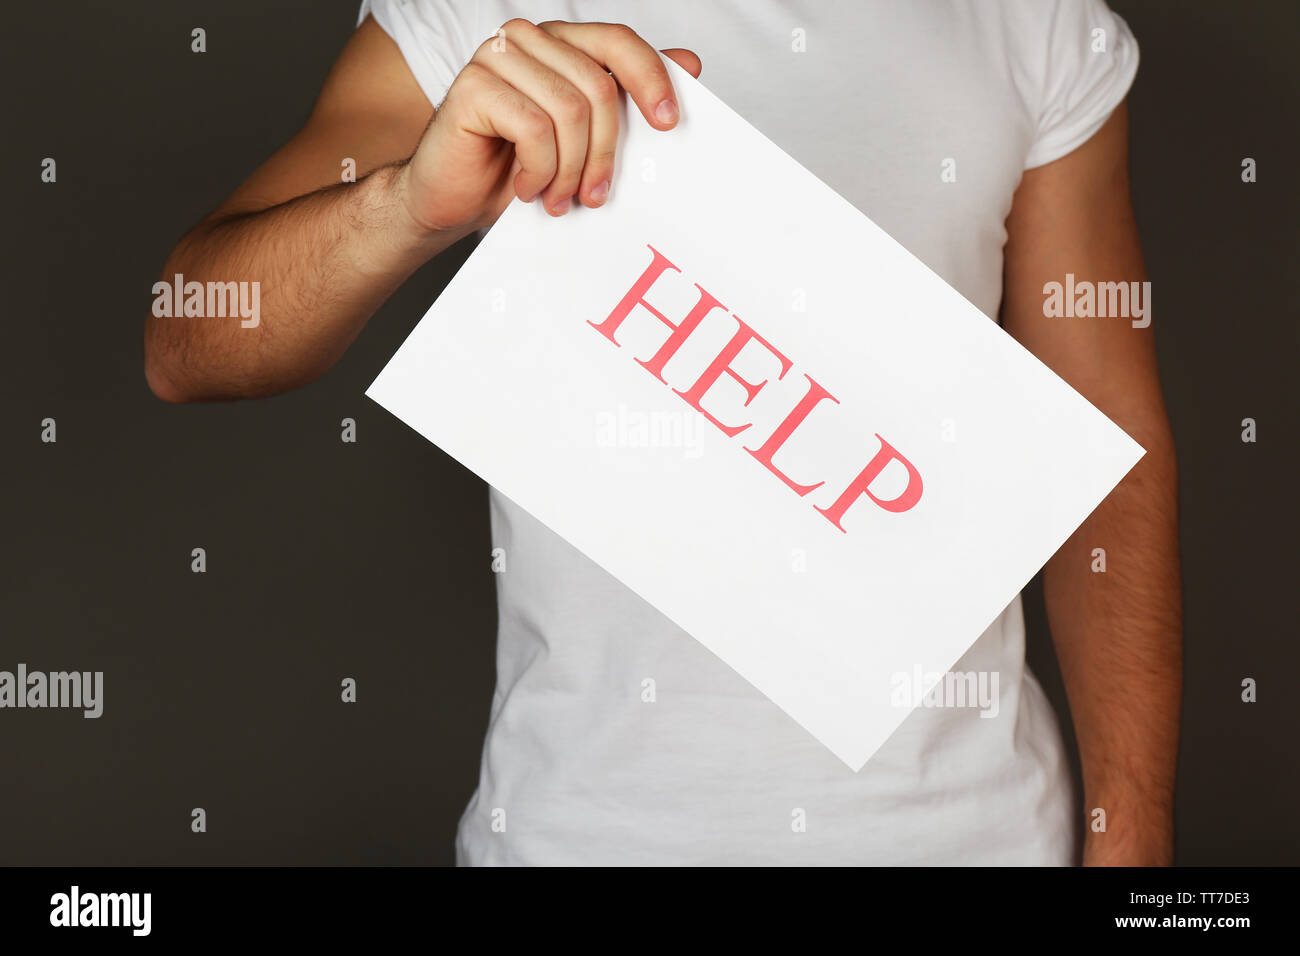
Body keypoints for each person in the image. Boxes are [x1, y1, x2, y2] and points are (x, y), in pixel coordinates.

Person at [144, 0, 1182, 866]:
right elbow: (186, 341)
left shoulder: (1036, 21)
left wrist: (1129, 843)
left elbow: (1110, 443)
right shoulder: (480, 7)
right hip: (580, 835)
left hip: (987, 837)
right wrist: (409, 203)